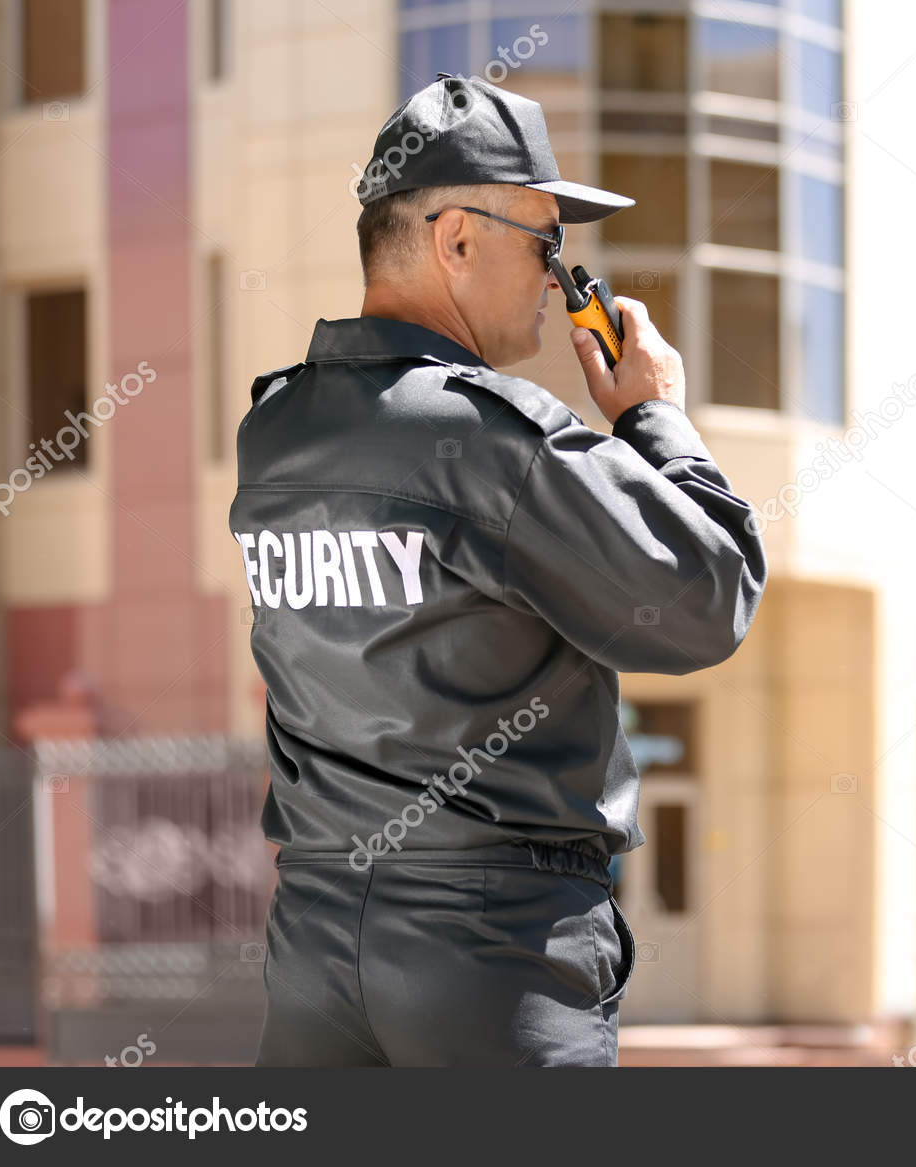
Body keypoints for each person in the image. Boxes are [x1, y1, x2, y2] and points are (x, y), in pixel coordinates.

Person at [228, 74, 768, 1067]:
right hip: (491, 947)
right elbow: (708, 596)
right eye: (546, 241)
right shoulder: (490, 441)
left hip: (313, 941)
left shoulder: (273, 429)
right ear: (457, 239)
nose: (563, 280)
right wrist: (656, 418)